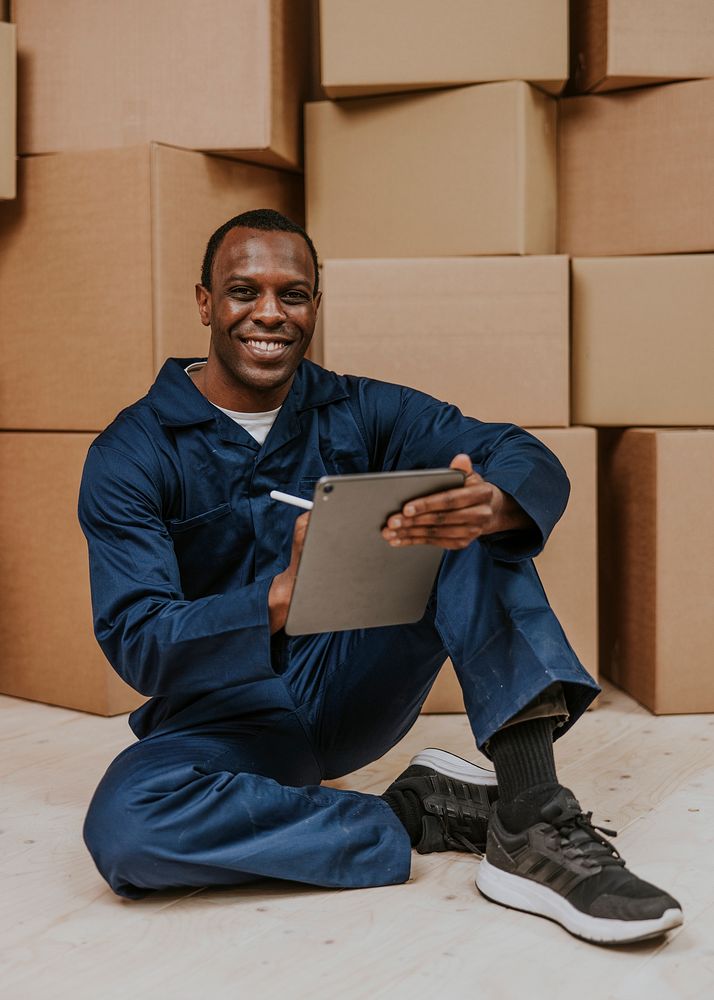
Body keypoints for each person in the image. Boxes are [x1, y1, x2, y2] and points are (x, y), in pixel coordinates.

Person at [78, 209, 682, 945]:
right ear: (205, 302)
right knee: (127, 826)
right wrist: (279, 597)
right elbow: (137, 641)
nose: (269, 313)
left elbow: (518, 452)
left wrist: (488, 504)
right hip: (222, 721)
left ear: (315, 306)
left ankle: (532, 820)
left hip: (351, 680)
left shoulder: (362, 411)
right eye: (243, 291)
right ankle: (412, 814)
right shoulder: (130, 453)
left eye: (292, 294)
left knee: (452, 513)